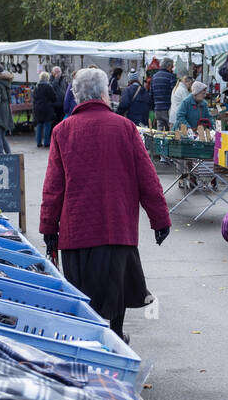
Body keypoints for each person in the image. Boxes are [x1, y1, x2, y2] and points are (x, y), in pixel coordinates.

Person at [40, 67, 171, 343]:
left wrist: (49, 229)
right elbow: (147, 177)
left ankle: (88, 338)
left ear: (75, 96)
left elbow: (53, 186)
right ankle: (116, 333)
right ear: (104, 93)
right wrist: (160, 219)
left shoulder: (62, 131)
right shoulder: (125, 128)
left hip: (77, 229)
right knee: (117, 285)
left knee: (82, 289)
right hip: (116, 226)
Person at [149, 57, 177, 130]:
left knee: (160, 132)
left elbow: (151, 94)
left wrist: (153, 108)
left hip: (157, 109)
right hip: (168, 109)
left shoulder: (154, 77)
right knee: (171, 131)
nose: (172, 68)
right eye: (172, 66)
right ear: (168, 66)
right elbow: (174, 94)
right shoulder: (171, 77)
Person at [33, 70, 59, 147]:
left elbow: (34, 98)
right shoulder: (49, 86)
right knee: (47, 125)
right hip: (47, 108)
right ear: (47, 78)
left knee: (39, 125)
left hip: (38, 108)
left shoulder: (36, 87)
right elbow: (54, 97)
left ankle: (38, 142)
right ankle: (46, 143)